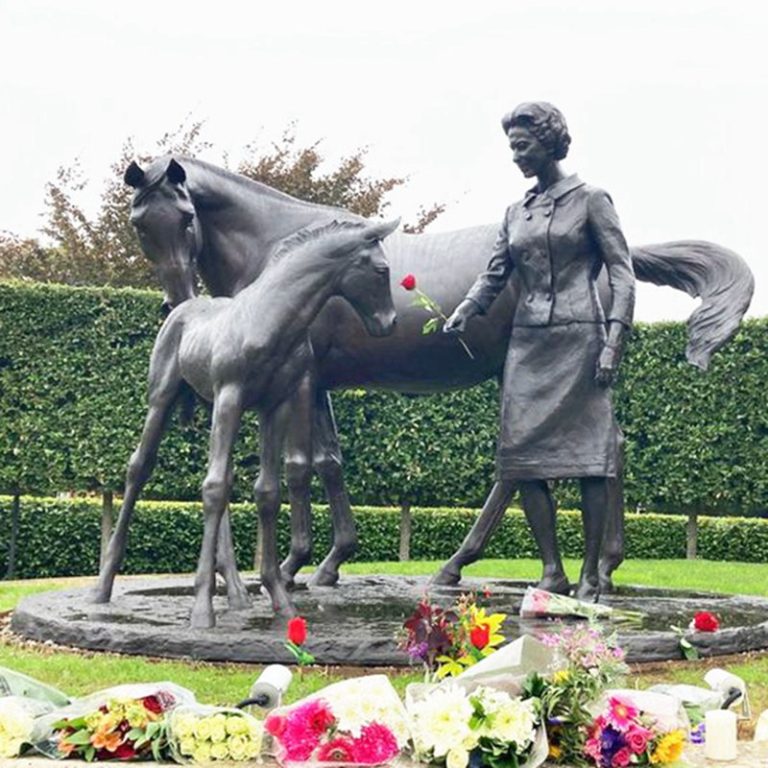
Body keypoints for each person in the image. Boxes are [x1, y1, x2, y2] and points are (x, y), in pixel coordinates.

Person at [444, 101, 635, 600]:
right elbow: (495, 272)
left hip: (581, 337)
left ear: (549, 142)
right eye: (511, 146)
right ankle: (552, 569)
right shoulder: (516, 212)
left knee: (591, 458)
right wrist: (467, 308)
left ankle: (592, 572)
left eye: (522, 145)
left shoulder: (591, 200)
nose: (515, 156)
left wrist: (614, 339)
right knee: (521, 457)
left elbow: (622, 271)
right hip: (528, 343)